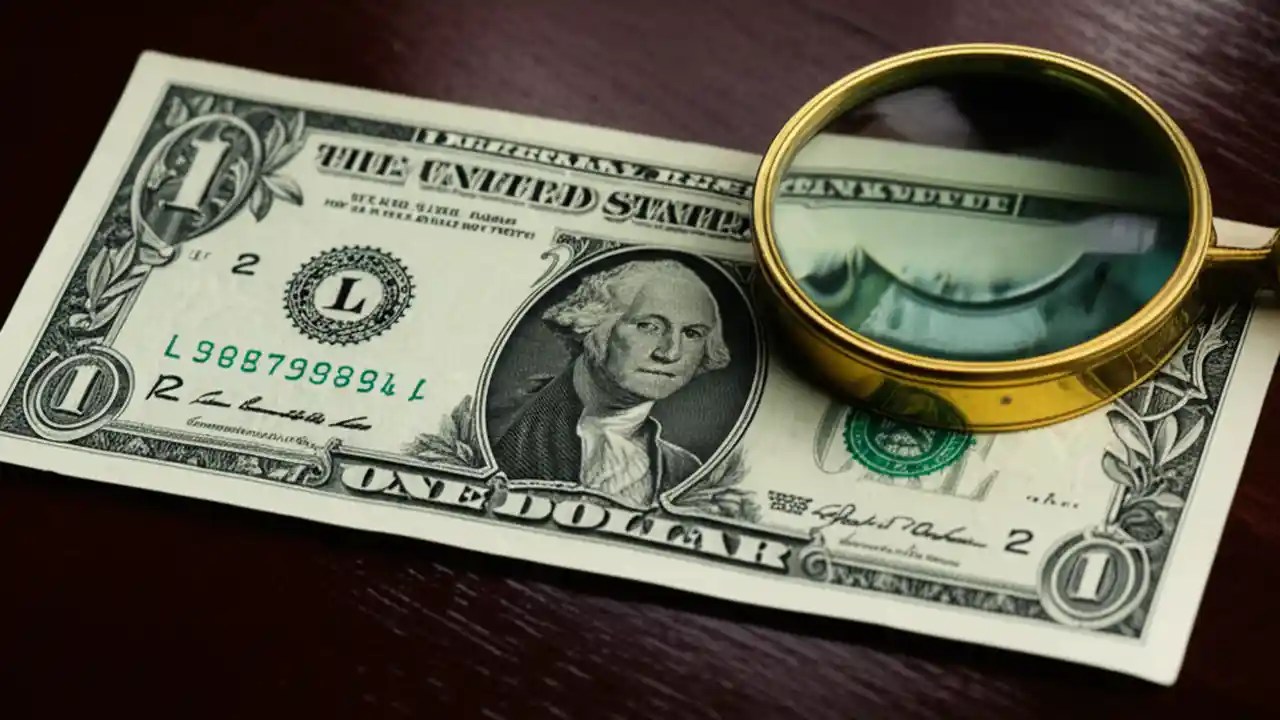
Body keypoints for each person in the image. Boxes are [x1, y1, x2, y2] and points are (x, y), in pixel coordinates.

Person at [492, 258, 730, 508]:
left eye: (692, 334)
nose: (670, 353)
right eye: (649, 326)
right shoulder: (505, 425)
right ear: (593, 325)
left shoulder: (683, 469)